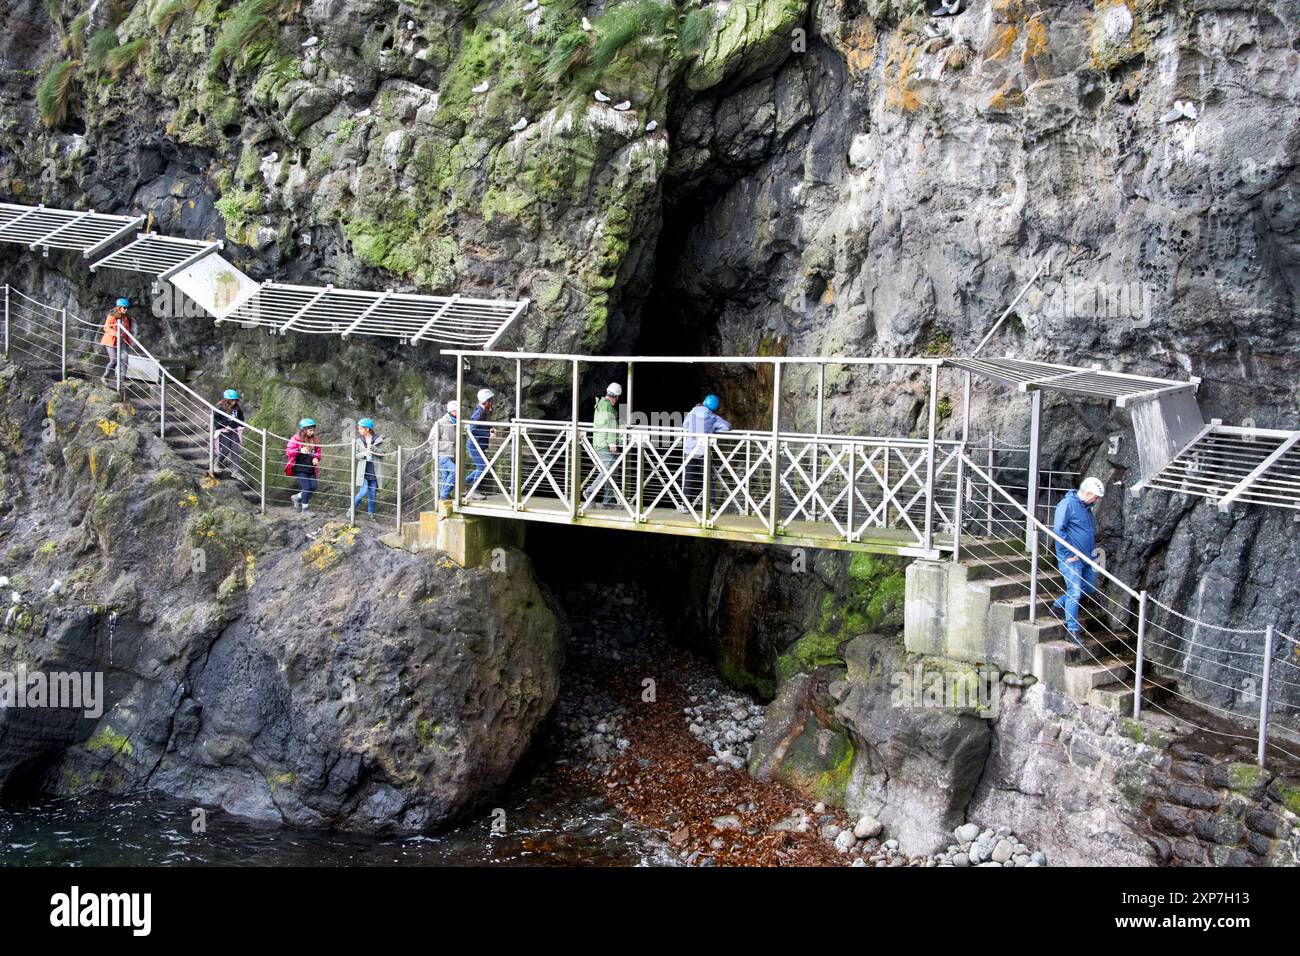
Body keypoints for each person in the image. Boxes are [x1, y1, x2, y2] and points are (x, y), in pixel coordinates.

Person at [1051, 476, 1105, 644]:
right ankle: (1072, 631)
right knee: (1074, 591)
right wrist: (1068, 553)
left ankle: (1058, 606)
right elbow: (1058, 530)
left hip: (1087, 556)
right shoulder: (1067, 504)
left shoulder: (1086, 507)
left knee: (1088, 587)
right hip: (1072, 557)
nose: (1096, 500)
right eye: (1095, 497)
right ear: (1088, 493)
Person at [679, 393, 731, 512]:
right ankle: (711, 505)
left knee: (689, 478)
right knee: (707, 478)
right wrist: (713, 429)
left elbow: (684, 425)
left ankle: (686, 506)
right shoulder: (712, 417)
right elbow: (727, 427)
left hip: (689, 450)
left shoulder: (692, 413)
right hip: (703, 451)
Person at [583, 382, 623, 506]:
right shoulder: (608, 407)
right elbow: (609, 425)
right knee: (610, 467)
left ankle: (608, 500)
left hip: (600, 441)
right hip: (604, 443)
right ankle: (590, 491)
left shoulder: (601, 404)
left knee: (613, 468)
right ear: (616, 397)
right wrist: (612, 442)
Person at [351, 418, 385, 519]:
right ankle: (351, 509)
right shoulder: (358, 441)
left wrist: (373, 448)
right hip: (363, 470)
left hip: (374, 470)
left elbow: (382, 454)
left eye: (361, 428)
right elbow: (356, 455)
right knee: (363, 491)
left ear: (367, 429)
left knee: (372, 493)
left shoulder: (378, 440)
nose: (359, 430)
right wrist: (364, 454)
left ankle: (371, 514)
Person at [286, 418, 322, 512]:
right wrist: (299, 450)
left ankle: (297, 497)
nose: (312, 432)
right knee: (306, 488)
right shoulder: (295, 439)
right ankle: (305, 509)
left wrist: (316, 458)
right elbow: (289, 452)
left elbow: (318, 451)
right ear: (304, 429)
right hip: (300, 468)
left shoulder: (315, 440)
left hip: (311, 468)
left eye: (313, 430)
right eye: (310, 430)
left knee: (313, 487)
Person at [466, 388, 495, 500]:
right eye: (491, 400)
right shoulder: (479, 412)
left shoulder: (485, 410)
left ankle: (463, 484)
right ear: (486, 401)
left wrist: (490, 429)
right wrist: (488, 433)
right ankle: (474, 491)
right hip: (474, 445)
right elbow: (472, 430)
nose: (492, 402)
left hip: (478, 444)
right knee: (482, 467)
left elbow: (483, 426)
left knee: (483, 467)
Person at [211, 389, 245, 479]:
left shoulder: (237, 408)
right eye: (232, 400)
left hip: (233, 431)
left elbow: (241, 420)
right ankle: (216, 463)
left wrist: (234, 425)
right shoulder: (219, 408)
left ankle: (236, 472)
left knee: (235, 451)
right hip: (223, 432)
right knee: (225, 450)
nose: (234, 402)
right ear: (227, 400)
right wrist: (224, 426)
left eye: (235, 400)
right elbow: (215, 421)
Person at [430, 400, 459, 501]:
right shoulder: (441, 423)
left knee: (446, 475)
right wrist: (446, 447)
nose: (457, 413)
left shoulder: (457, 422)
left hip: (452, 454)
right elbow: (432, 439)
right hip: (442, 454)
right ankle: (444, 495)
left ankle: (443, 496)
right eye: (455, 411)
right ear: (451, 411)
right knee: (455, 471)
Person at [99, 297, 132, 382]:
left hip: (122, 341)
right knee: (114, 360)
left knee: (125, 359)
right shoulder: (112, 316)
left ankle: (122, 378)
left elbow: (127, 330)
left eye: (127, 308)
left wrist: (128, 342)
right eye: (124, 308)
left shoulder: (126, 317)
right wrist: (116, 333)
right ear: (119, 307)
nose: (126, 310)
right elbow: (106, 328)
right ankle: (105, 376)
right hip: (111, 341)